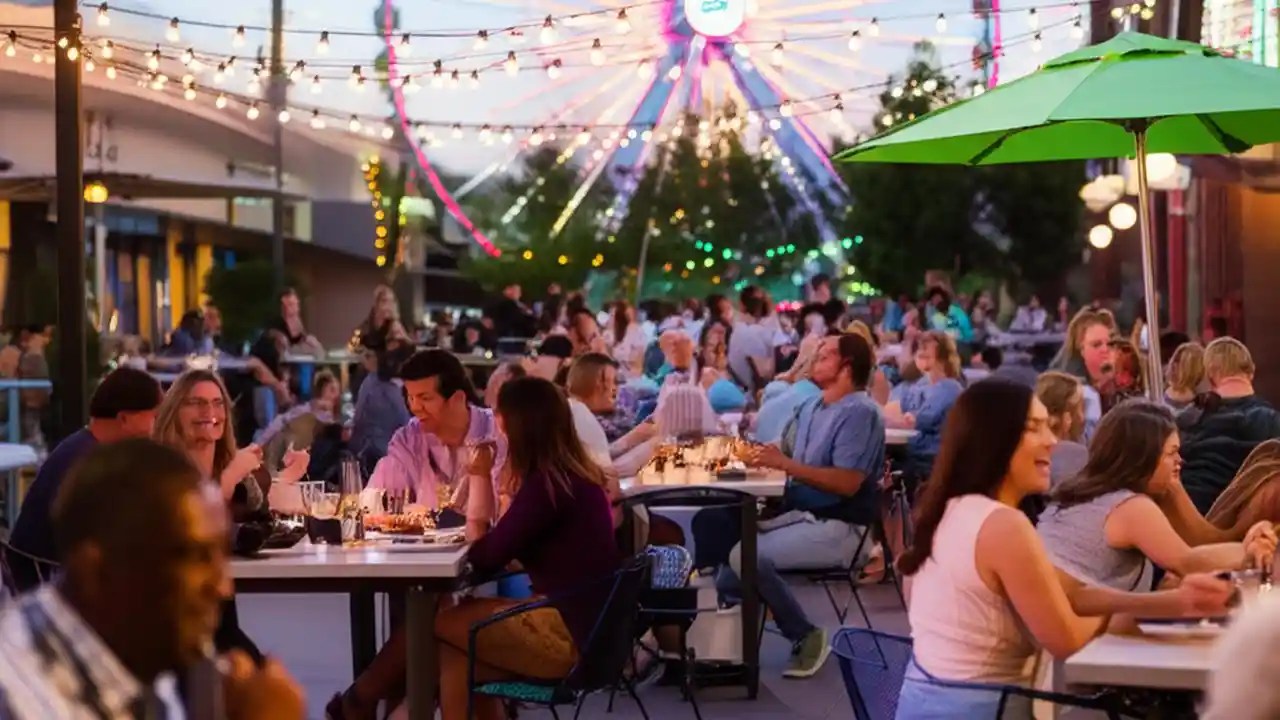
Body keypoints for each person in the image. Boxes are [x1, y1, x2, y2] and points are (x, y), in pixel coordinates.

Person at [897, 381, 1232, 718]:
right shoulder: (1004, 527)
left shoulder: (949, 510)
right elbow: (1067, 638)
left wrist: (1165, 602)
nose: (1052, 440)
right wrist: (1146, 606)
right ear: (995, 441)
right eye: (1034, 428)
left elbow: (1071, 594)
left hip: (921, 702)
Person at [333, 378, 619, 720]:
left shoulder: (547, 486)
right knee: (459, 656)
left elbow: (484, 556)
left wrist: (480, 474)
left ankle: (360, 699)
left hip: (565, 635)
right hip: (595, 632)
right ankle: (366, 703)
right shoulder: (573, 477)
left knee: (432, 624)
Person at [0, 439, 306, 719]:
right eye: (195, 556)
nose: (223, 587)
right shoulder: (17, 694)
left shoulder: (139, 654)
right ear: (96, 571)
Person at [716, 334, 886, 678]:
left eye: (824, 356)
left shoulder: (860, 411)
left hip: (841, 528)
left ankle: (806, 634)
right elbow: (782, 449)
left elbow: (847, 483)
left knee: (743, 557)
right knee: (726, 572)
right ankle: (736, 647)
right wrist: (746, 454)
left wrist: (785, 465)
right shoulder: (811, 406)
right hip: (801, 517)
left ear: (847, 366)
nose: (813, 361)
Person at [1039, 402, 1273, 598]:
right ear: (1143, 457)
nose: (1181, 461)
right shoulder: (1130, 506)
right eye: (1172, 453)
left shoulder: (1081, 493)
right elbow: (1191, 562)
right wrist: (1251, 550)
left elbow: (1199, 545)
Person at [8, 367, 163, 592]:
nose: (155, 429)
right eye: (154, 417)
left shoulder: (85, 450)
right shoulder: (87, 465)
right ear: (124, 418)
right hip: (49, 593)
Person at [366, 350, 501, 541]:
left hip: (489, 554)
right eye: (411, 398)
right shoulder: (408, 440)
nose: (415, 407)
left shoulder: (497, 434)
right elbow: (374, 504)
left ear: (457, 399)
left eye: (425, 398)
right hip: (426, 560)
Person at [1178, 338, 1280, 514]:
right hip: (1245, 525)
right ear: (1251, 372)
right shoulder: (1271, 421)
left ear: (1209, 377)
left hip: (1185, 518)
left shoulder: (1188, 418)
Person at [887, 331, 965, 481]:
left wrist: (900, 419)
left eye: (926, 353)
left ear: (944, 359)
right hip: (913, 452)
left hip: (930, 459)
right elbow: (893, 410)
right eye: (920, 351)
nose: (921, 354)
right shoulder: (918, 385)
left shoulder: (949, 388)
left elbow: (917, 421)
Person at [350, 345, 414, 472]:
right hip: (387, 457)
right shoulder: (391, 390)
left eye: (368, 356)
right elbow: (406, 426)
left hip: (368, 454)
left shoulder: (369, 383)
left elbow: (357, 419)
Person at [1034, 371, 1089, 490]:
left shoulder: (1022, 451)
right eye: (1080, 408)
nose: (1083, 417)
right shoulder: (1076, 456)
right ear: (1066, 417)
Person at [269, 287, 324, 356]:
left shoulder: (297, 320)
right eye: (291, 304)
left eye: (296, 304)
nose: (296, 308)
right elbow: (273, 334)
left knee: (315, 345)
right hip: (283, 354)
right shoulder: (276, 323)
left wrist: (308, 340)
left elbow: (300, 337)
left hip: (295, 351)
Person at [605, 299, 648, 378]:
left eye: (612, 315)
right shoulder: (609, 334)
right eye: (610, 315)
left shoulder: (636, 332)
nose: (610, 319)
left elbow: (638, 364)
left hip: (631, 378)